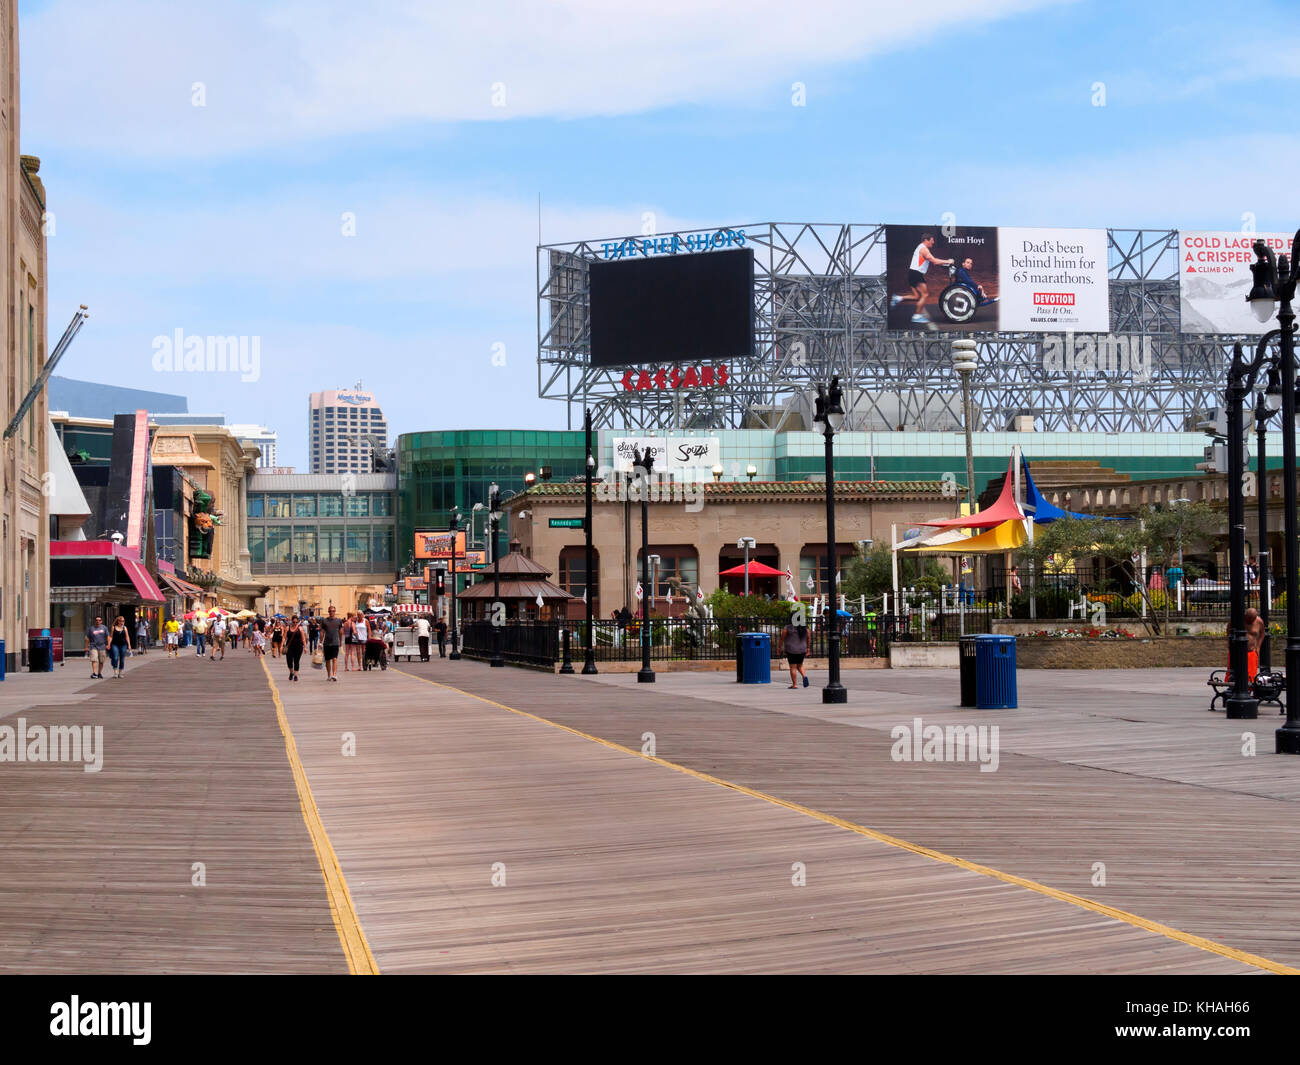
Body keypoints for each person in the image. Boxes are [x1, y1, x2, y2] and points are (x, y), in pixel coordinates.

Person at [890, 232, 953, 326]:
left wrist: (945, 263)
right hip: (916, 274)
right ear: (926, 240)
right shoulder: (924, 249)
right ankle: (917, 316)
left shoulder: (921, 247)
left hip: (912, 274)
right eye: (932, 241)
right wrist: (948, 261)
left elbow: (933, 262)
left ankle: (898, 298)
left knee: (916, 297)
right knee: (925, 294)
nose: (933, 242)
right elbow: (934, 261)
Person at [779, 613, 810, 689]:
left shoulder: (788, 628)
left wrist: (779, 647)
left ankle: (795, 684)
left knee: (793, 667)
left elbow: (782, 638)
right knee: (800, 665)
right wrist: (808, 648)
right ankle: (804, 676)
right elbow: (808, 638)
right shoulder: (805, 628)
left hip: (791, 649)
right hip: (802, 649)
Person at [318, 604, 343, 682]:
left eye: (333, 611)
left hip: (335, 643)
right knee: (328, 660)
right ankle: (329, 675)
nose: (332, 612)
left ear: (335, 612)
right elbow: (322, 632)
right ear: (328, 612)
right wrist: (320, 642)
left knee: (335, 659)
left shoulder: (339, 621)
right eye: (330, 611)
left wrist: (341, 642)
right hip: (327, 643)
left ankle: (334, 674)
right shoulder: (324, 621)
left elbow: (341, 632)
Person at [1245, 607, 1265, 686]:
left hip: (1252, 651)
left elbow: (1262, 633)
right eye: (1249, 619)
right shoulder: (1239, 620)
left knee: (1251, 675)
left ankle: (1249, 690)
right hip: (1239, 652)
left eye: (1252, 619)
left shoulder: (1259, 621)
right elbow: (1229, 629)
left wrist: (1258, 646)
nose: (1250, 621)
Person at [86, 615, 109, 679]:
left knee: (101, 661)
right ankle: (95, 673)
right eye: (96, 620)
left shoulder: (104, 628)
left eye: (99, 620)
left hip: (102, 646)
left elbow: (108, 637)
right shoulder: (91, 628)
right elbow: (87, 638)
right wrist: (86, 647)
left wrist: (108, 644)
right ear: (94, 621)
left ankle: (99, 673)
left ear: (101, 621)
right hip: (93, 646)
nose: (98, 621)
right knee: (94, 659)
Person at [284, 615, 306, 683]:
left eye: (296, 622)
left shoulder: (300, 628)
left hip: (298, 647)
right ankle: (291, 672)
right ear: (291, 621)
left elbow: (303, 638)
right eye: (294, 622)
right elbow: (284, 637)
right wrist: (282, 645)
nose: (295, 623)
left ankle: (296, 675)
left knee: (296, 661)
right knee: (289, 661)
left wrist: (305, 647)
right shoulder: (288, 628)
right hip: (289, 647)